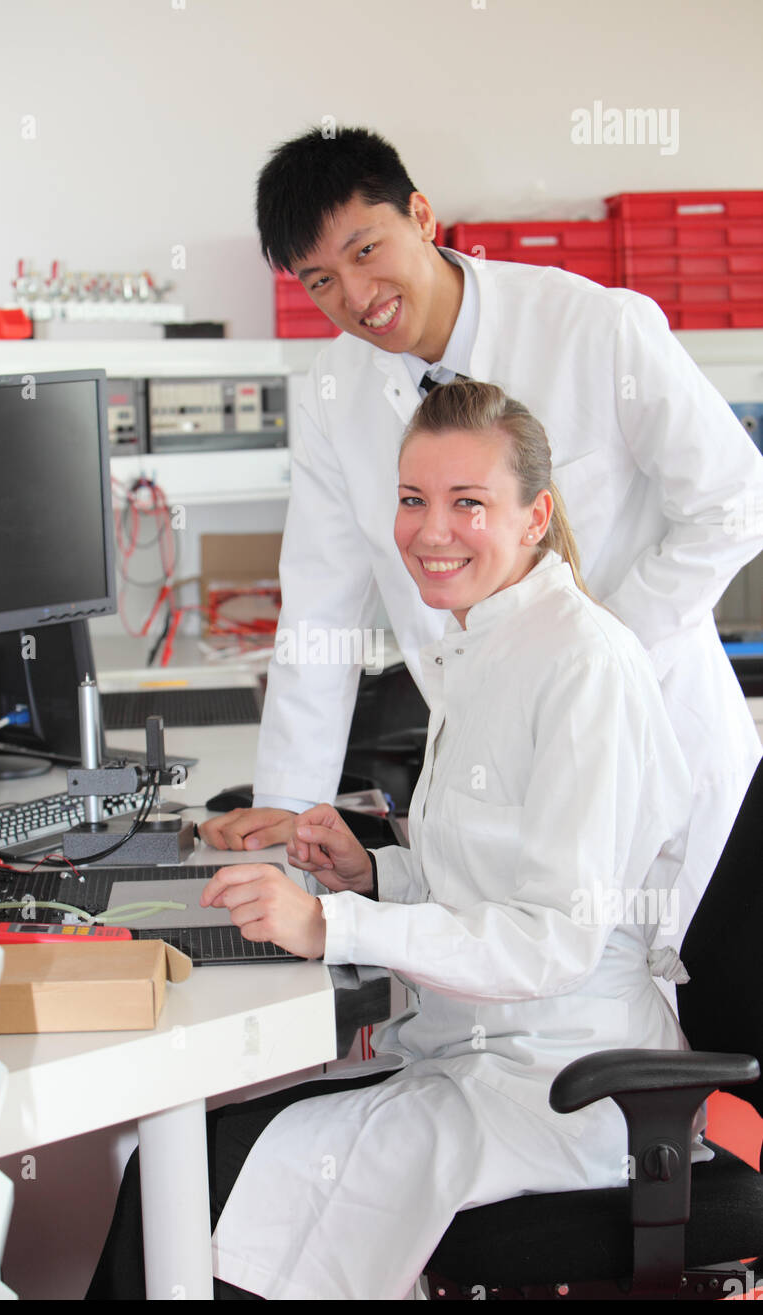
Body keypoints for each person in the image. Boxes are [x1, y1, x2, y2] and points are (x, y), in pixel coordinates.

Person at [88, 380, 700, 1301]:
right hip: (480, 1050)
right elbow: (490, 870)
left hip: (564, 1084)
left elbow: (550, 938)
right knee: (182, 1171)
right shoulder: (487, 643)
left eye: (468, 504)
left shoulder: (583, 668)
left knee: (196, 1185)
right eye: (414, 499)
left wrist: (334, 925)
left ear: (535, 517)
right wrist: (373, 870)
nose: (431, 530)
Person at [202, 125, 763, 949]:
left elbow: (735, 501)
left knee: (665, 1007)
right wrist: (289, 815)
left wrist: (595, 658)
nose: (357, 297)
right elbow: (320, 614)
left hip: (652, 734)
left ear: (421, 216)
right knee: (502, 991)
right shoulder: (332, 395)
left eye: (367, 250)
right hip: (485, 774)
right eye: (322, 281)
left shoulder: (595, 328)